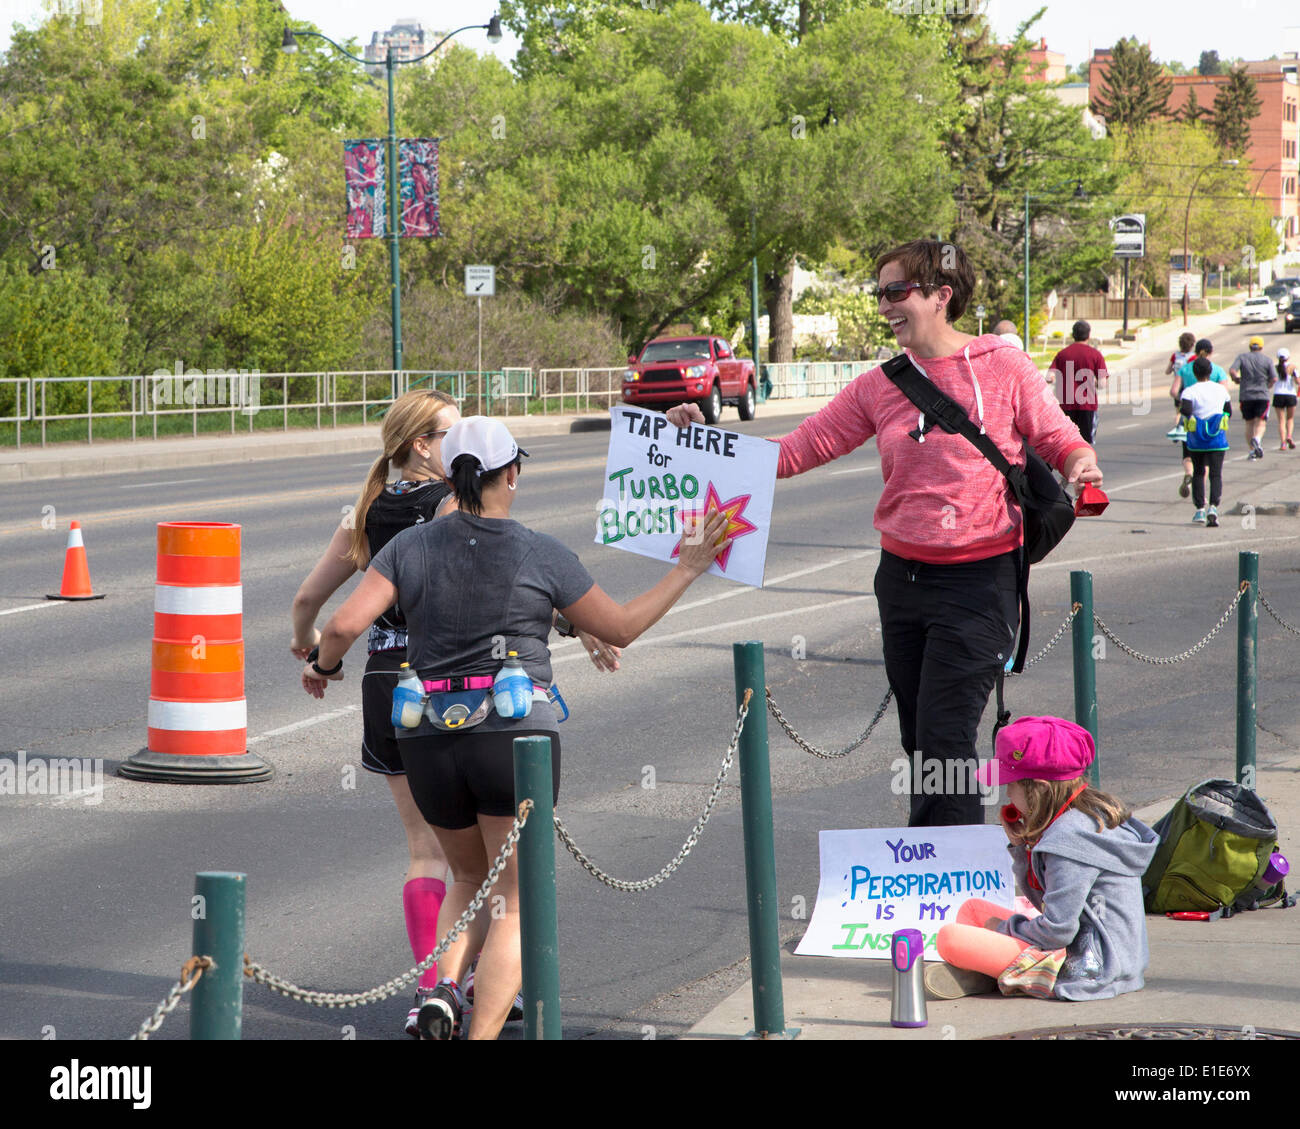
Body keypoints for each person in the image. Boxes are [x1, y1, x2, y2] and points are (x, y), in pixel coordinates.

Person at [304, 416, 731, 1040]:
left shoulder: (408, 547)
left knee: (467, 878)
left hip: (424, 736)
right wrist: (688, 567)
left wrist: (322, 665)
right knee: (511, 898)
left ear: (451, 476)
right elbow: (619, 627)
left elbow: (341, 625)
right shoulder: (541, 551)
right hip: (511, 738)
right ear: (513, 473)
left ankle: (442, 991)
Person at [670, 239, 1102, 827]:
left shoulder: (1002, 365)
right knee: (921, 741)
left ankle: (941, 886)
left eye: (897, 292)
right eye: (881, 294)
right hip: (901, 582)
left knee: (945, 744)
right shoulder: (881, 385)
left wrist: (1080, 462)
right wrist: (697, 438)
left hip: (979, 582)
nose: (885, 306)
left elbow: (1056, 436)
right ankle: (947, 882)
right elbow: (793, 452)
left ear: (941, 295)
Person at [290, 391, 621, 1037]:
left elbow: (312, 598)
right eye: (447, 430)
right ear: (422, 444)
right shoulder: (451, 504)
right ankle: (476, 986)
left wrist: (312, 653)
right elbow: (486, 583)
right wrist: (570, 620)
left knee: (427, 854)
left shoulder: (366, 508)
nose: (455, 441)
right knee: (501, 879)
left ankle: (433, 987)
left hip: (385, 685)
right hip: (445, 682)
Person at [923, 715, 1158, 1001]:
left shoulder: (1069, 838)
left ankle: (998, 973)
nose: (1006, 792)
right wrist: (1022, 847)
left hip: (1089, 967)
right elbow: (1048, 905)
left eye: (1011, 784)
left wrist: (1001, 930)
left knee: (950, 938)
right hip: (1113, 956)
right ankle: (1001, 973)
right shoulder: (1083, 817)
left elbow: (1057, 930)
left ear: (1040, 790)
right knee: (972, 910)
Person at [1179, 356, 1232, 527]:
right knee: (1216, 474)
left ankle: (1200, 509)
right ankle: (1214, 507)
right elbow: (1228, 411)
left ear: (1195, 373)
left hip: (1196, 440)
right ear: (1211, 372)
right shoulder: (1221, 390)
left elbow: (1185, 410)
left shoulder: (1189, 391)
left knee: (1199, 473)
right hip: (1217, 439)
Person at [1172, 339, 1229, 497]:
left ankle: (1192, 482)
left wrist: (1180, 401)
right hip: (1215, 430)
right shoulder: (1218, 371)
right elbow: (1227, 405)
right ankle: (1212, 506)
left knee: (1193, 462)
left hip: (1193, 428)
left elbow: (1174, 392)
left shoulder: (1185, 370)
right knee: (1214, 472)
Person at [1048, 320, 1109, 445]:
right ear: (1088, 335)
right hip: (1087, 405)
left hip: (1066, 405)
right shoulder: (1095, 355)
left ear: (1073, 334)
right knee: (1086, 444)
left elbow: (1049, 377)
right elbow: (1102, 384)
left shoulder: (1062, 354)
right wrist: (1094, 383)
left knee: (1067, 443)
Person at [1229, 336, 1274, 460]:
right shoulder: (1267, 360)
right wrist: (1268, 386)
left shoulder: (1242, 357)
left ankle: (1252, 451)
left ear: (1250, 346)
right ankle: (1257, 439)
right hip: (1262, 395)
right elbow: (1274, 377)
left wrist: (1236, 379)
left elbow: (1232, 370)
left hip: (1246, 395)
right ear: (1261, 347)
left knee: (1249, 423)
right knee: (1261, 422)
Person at [1164, 331, 1197, 440]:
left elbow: (1167, 371)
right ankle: (1186, 430)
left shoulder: (1175, 355)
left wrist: (1174, 369)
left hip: (1177, 386)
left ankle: (1178, 430)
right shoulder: (1193, 357)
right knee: (1190, 410)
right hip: (1188, 386)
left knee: (1178, 411)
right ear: (1192, 345)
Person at [1272, 347, 1297, 451]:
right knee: (1290, 418)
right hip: (1290, 394)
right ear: (1288, 357)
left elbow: (1271, 381)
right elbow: (1298, 381)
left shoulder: (1274, 368)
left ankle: (1283, 443)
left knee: (1281, 420)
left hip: (1278, 394)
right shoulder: (1292, 368)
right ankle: (1289, 436)